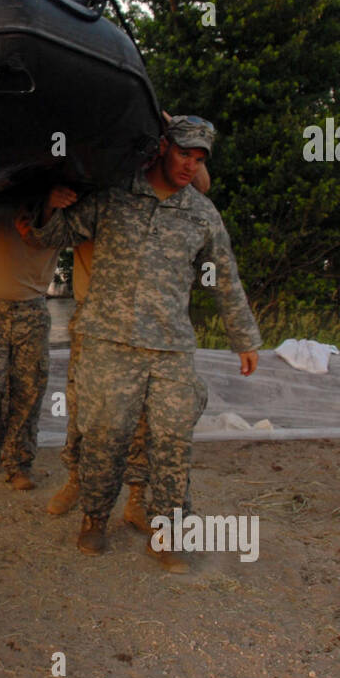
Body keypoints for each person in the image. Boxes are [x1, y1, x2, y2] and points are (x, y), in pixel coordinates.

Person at [21, 116, 260, 569]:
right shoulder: (114, 197)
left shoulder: (202, 214)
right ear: (163, 147)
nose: (190, 165)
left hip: (170, 349)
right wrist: (48, 205)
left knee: (172, 441)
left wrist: (244, 339)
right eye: (184, 153)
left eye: (199, 158)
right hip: (108, 343)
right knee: (105, 438)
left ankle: (167, 533)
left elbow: (226, 278)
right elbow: (51, 236)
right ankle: (94, 518)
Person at [46, 151, 212, 523]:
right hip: (95, 321)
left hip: (149, 326)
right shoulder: (94, 183)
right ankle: (78, 480)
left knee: (142, 418)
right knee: (85, 410)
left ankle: (137, 495)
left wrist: (167, 129)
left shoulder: (159, 183)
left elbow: (203, 184)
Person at [0, 204, 60, 491]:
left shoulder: (63, 206)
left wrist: (51, 204)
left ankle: (19, 463)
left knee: (28, 391)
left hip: (32, 311)